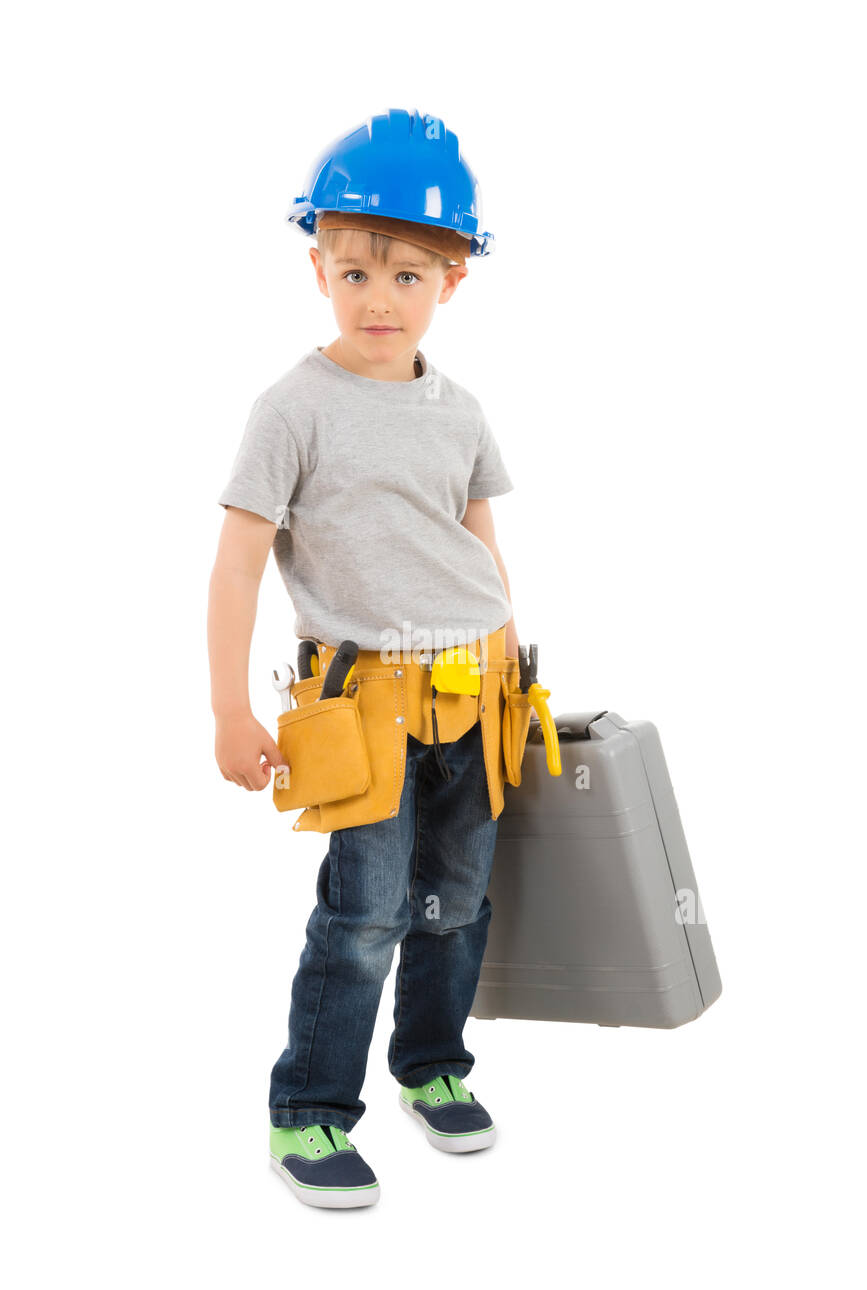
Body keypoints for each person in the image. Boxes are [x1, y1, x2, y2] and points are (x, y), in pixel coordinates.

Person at [207, 109, 522, 1210]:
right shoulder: (291, 409)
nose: (377, 298)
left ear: (453, 280)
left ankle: (433, 1064)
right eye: (353, 271)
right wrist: (229, 711)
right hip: (365, 711)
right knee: (361, 915)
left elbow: (479, 543)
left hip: (476, 695)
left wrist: (515, 670)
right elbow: (239, 564)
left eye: (406, 273)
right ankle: (308, 1113)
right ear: (317, 269)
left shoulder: (462, 410)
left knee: (460, 900)